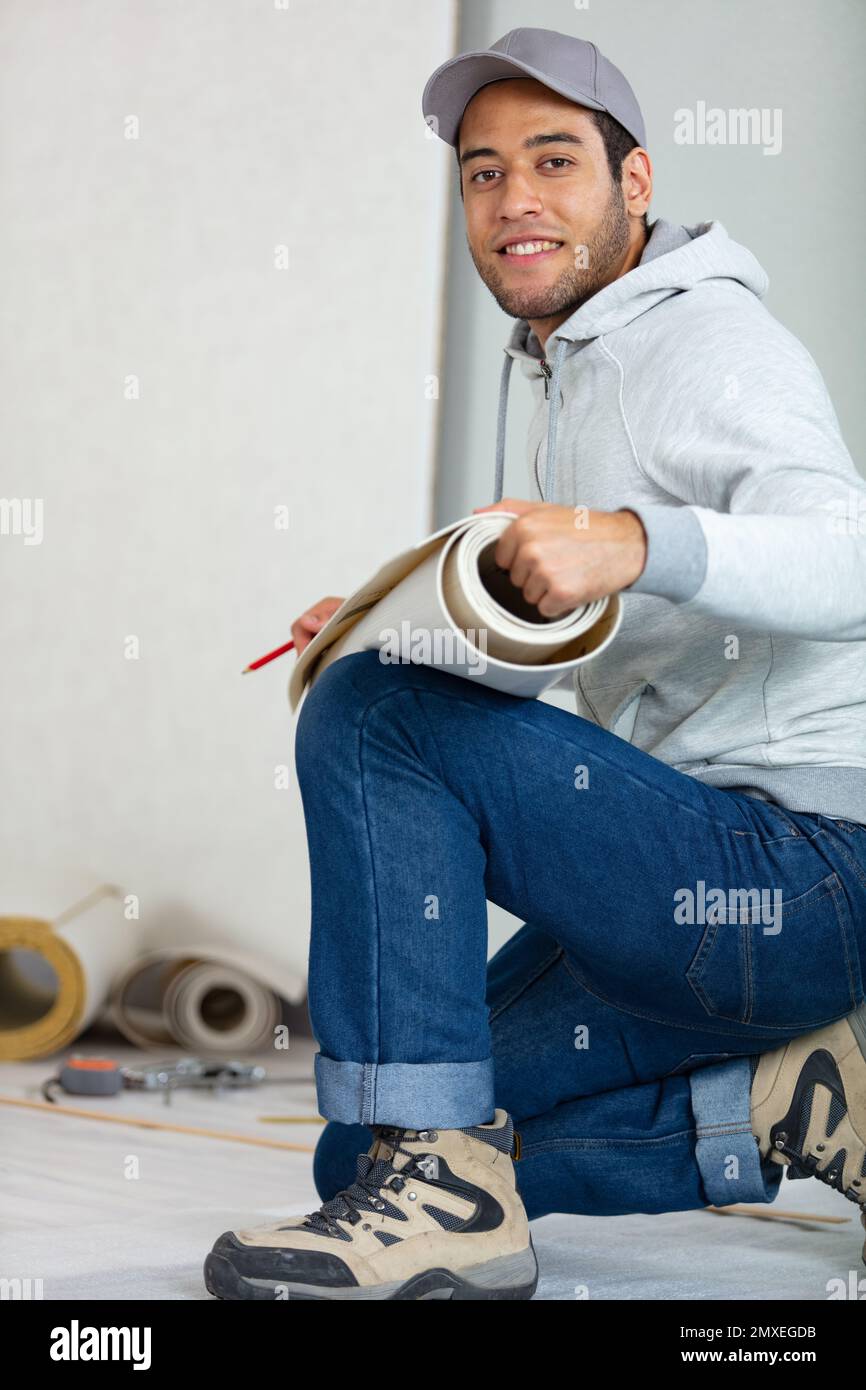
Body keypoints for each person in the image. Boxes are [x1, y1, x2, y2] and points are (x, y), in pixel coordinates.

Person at [204, 27, 866, 1301]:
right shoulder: (566, 367)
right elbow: (600, 659)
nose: (513, 200)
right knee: (381, 1131)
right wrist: (407, 624)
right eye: (482, 172)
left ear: (635, 186)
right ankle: (794, 1100)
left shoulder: (703, 340)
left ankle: (452, 1198)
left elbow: (847, 560)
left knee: (371, 719)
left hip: (799, 875)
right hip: (698, 881)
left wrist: (628, 539)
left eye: (552, 162)